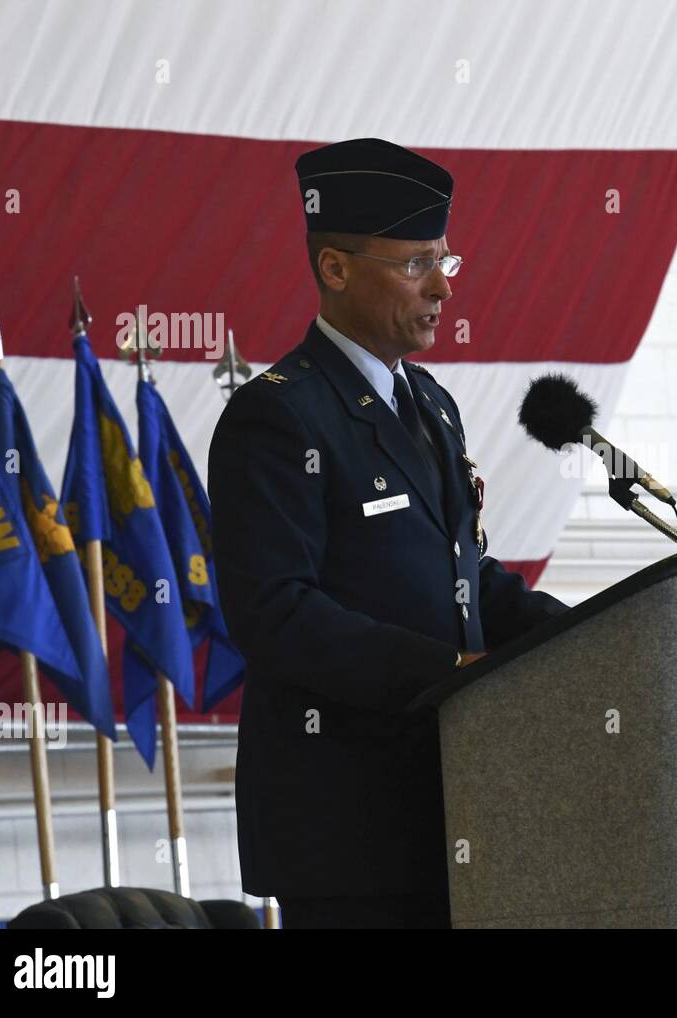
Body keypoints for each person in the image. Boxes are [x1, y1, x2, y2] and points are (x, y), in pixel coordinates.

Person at [208, 137, 568, 929]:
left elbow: (464, 575)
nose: (442, 286)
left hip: (460, 807)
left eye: (447, 261)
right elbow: (277, 615)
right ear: (335, 268)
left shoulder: (433, 404)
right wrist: (454, 671)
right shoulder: (277, 415)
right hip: (346, 829)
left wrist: (583, 640)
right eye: (416, 264)